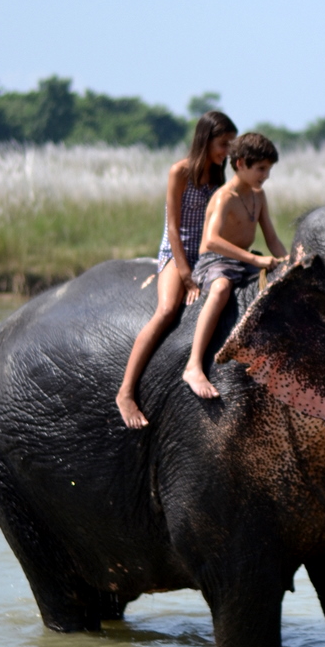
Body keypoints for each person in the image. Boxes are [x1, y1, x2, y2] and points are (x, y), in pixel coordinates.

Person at [115, 109, 238, 427]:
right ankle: (126, 392)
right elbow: (172, 227)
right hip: (177, 251)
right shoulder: (180, 171)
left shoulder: (219, 176)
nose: (227, 151)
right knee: (168, 310)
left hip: (206, 253)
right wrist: (184, 273)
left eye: (231, 145)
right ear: (206, 140)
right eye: (223, 144)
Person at [183, 131, 288, 400]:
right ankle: (193, 365)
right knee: (220, 289)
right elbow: (211, 240)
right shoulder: (225, 197)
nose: (265, 175)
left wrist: (290, 263)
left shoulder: (258, 195)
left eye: (269, 169)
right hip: (215, 261)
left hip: (244, 258)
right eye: (261, 168)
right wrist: (255, 259)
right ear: (240, 164)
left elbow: (272, 239)